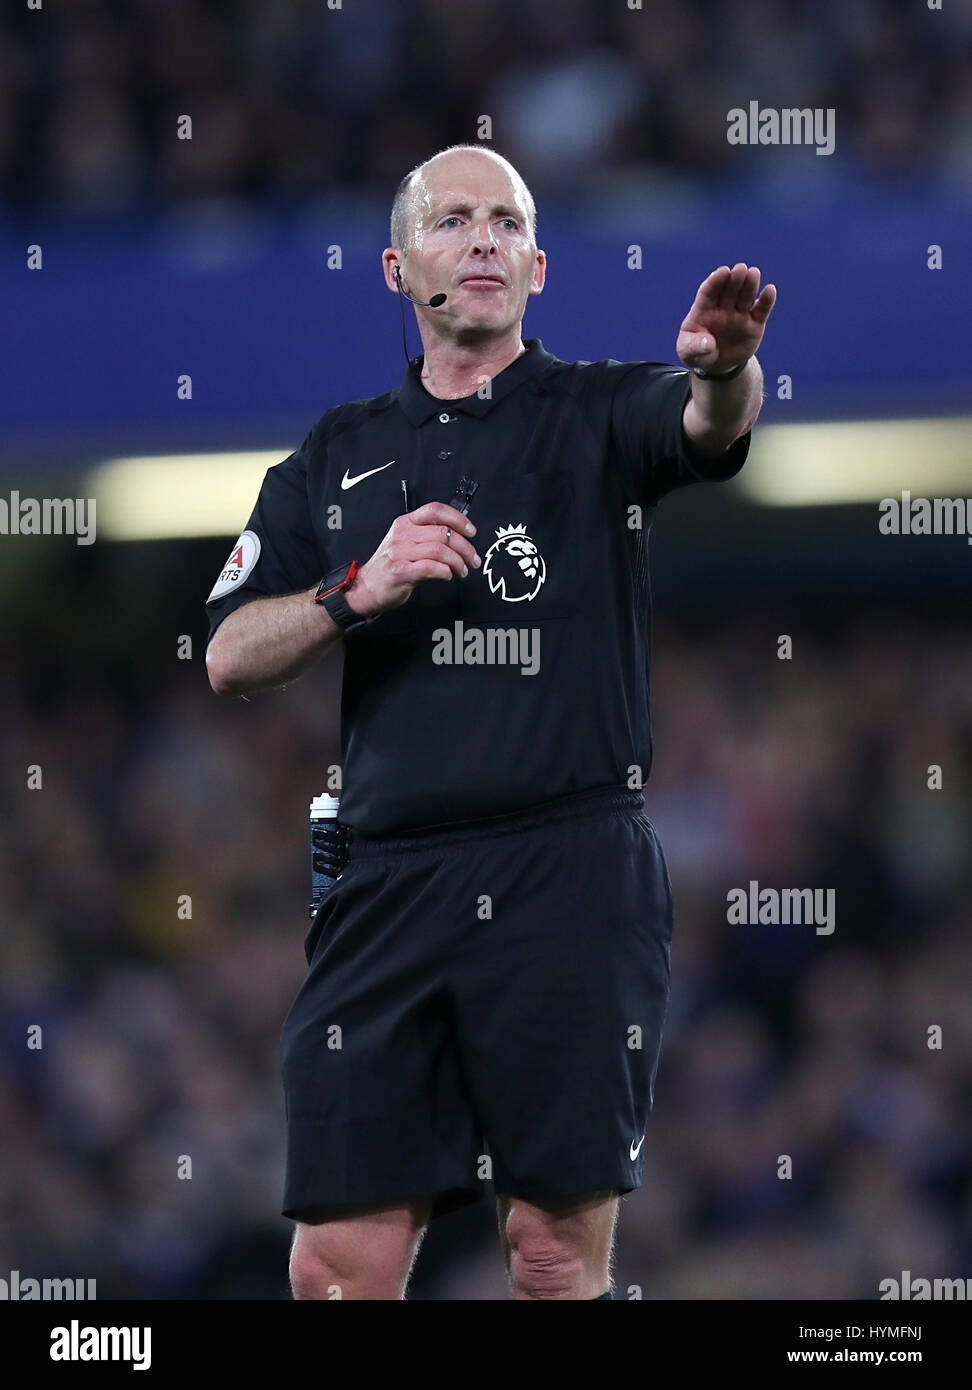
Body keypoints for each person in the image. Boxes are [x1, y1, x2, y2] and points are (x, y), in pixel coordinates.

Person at [205, 143, 776, 1300]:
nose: (482, 241)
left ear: (538, 266)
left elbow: (711, 426)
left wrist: (723, 372)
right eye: (454, 220)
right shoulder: (336, 454)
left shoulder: (603, 411)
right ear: (396, 266)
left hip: (569, 870)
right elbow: (226, 651)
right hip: (386, 883)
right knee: (332, 1267)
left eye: (507, 224)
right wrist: (354, 587)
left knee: (554, 1257)